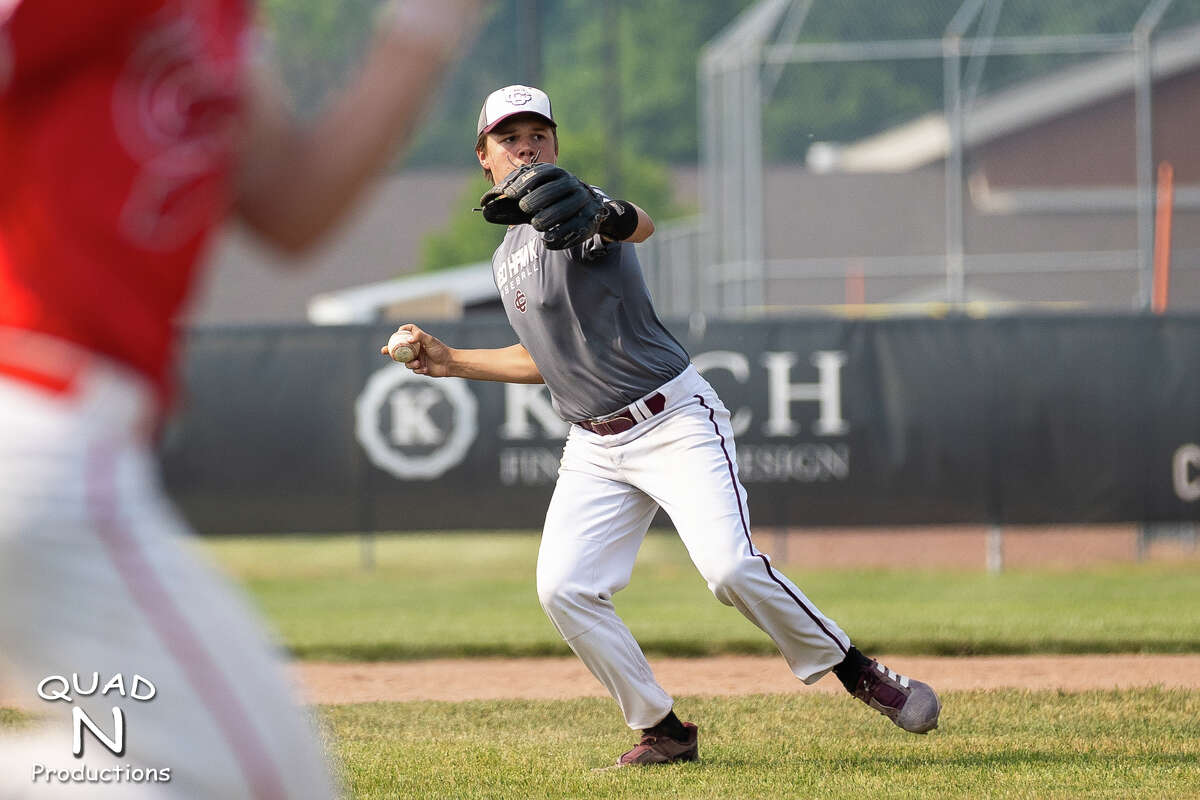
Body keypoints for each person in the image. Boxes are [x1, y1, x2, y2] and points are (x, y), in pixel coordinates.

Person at [0, 0, 481, 796]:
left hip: (72, 438)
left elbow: (289, 204)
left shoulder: (222, 15)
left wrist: (425, 27)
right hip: (38, 423)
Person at [383, 84, 942, 768]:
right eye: (509, 136)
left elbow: (634, 224)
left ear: (555, 146)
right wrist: (451, 360)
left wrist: (609, 214)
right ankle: (664, 730)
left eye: (537, 133)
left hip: (670, 416)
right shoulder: (506, 261)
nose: (525, 145)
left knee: (730, 567)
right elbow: (547, 359)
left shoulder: (577, 207)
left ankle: (857, 671)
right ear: (483, 156)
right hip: (592, 443)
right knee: (563, 589)